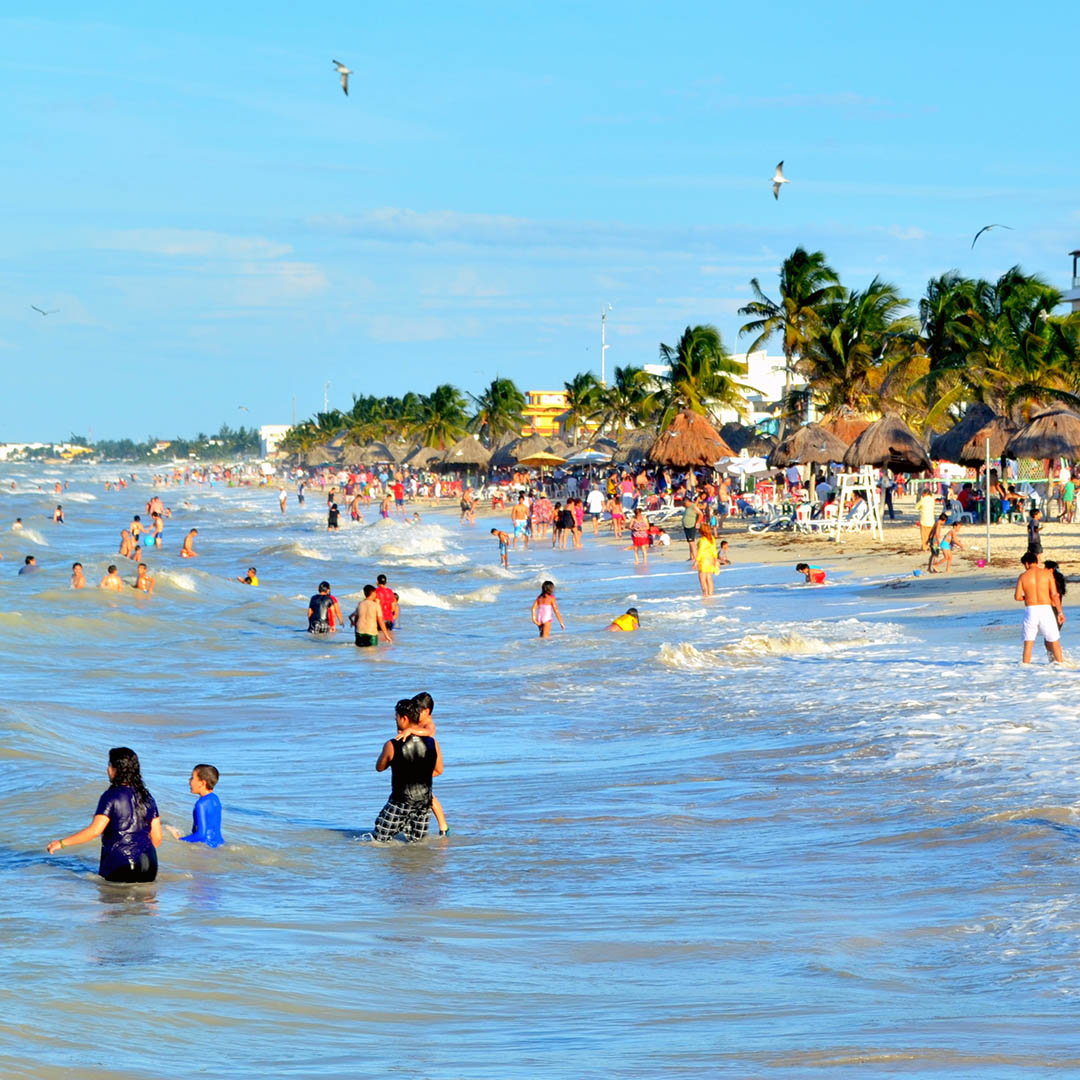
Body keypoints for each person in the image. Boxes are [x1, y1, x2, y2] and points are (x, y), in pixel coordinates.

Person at [46, 747, 162, 883]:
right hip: (149, 865)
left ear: (116, 769)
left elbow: (94, 831)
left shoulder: (110, 796)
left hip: (122, 865)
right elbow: (157, 837)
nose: (108, 769)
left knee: (113, 902)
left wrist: (61, 843)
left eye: (109, 765)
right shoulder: (147, 797)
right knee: (142, 902)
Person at [372, 698, 442, 843]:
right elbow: (439, 769)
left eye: (396, 717)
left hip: (400, 802)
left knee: (378, 841)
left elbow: (379, 767)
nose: (396, 721)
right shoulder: (433, 743)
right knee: (417, 846)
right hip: (424, 803)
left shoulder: (392, 744)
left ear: (404, 718)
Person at [395, 692, 450, 835]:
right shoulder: (417, 723)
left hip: (428, 760)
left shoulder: (429, 724)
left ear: (426, 711)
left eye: (418, 711)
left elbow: (428, 732)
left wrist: (411, 729)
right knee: (422, 794)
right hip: (418, 758)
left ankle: (443, 826)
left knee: (428, 796)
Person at [1015, 550, 1063, 663]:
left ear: (1026, 563)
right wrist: (1060, 612)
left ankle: (1025, 669)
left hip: (1031, 610)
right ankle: (1061, 666)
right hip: (1046, 609)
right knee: (1054, 641)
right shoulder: (1047, 574)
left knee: (1028, 642)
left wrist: (1028, 597)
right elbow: (1055, 595)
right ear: (1037, 561)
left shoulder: (1023, 576)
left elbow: (1017, 597)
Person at [165, 764, 224, 847]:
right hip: (219, 844)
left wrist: (179, 839)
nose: (189, 781)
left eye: (192, 778)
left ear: (202, 783)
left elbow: (201, 834)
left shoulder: (201, 804)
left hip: (205, 848)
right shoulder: (215, 799)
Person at [1044, 559, 1068, 660]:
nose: (1043, 570)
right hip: (1055, 613)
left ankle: (1058, 661)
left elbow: (1055, 598)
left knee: (1051, 641)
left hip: (1054, 613)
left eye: (1045, 568)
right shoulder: (1056, 581)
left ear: (1051, 569)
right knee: (1049, 641)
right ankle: (1055, 661)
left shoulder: (1054, 582)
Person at [696, 521, 719, 597]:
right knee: (709, 578)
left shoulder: (702, 540)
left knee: (702, 579)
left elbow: (700, 551)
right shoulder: (712, 538)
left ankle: (705, 593)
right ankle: (711, 593)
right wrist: (715, 560)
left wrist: (696, 561)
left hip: (704, 560)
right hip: (711, 560)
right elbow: (714, 550)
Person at [681, 497, 701, 563]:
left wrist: (698, 522)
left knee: (692, 542)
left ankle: (695, 557)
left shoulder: (693, 506)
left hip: (691, 526)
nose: (684, 504)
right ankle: (691, 556)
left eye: (684, 503)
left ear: (687, 502)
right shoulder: (687, 508)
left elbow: (701, 514)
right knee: (690, 542)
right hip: (686, 526)